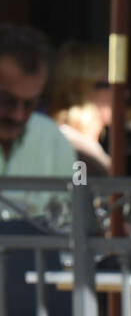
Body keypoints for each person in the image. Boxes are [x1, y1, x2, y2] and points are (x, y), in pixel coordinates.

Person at [0, 25, 76, 221]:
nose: (18, 115)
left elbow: (76, 205)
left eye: (30, 103)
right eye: (6, 100)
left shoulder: (51, 137)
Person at [47, 41, 113, 175]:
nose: (125, 94)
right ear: (82, 88)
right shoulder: (72, 147)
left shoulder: (80, 143)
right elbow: (79, 191)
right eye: (112, 84)